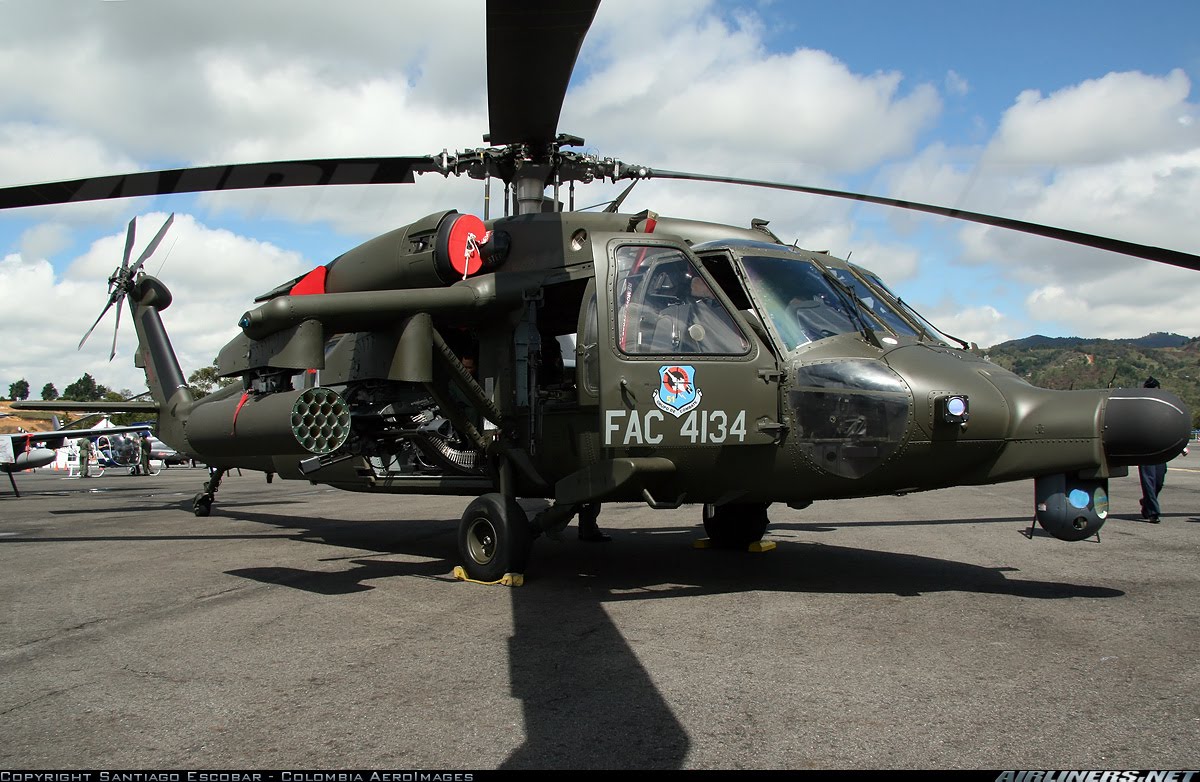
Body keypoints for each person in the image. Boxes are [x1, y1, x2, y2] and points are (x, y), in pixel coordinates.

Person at [1138, 376, 1171, 523]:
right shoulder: (1139, 407)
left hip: (1159, 451)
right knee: (1149, 481)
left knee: (1158, 482)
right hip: (1145, 450)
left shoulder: (1163, 408)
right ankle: (1153, 512)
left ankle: (1147, 503)